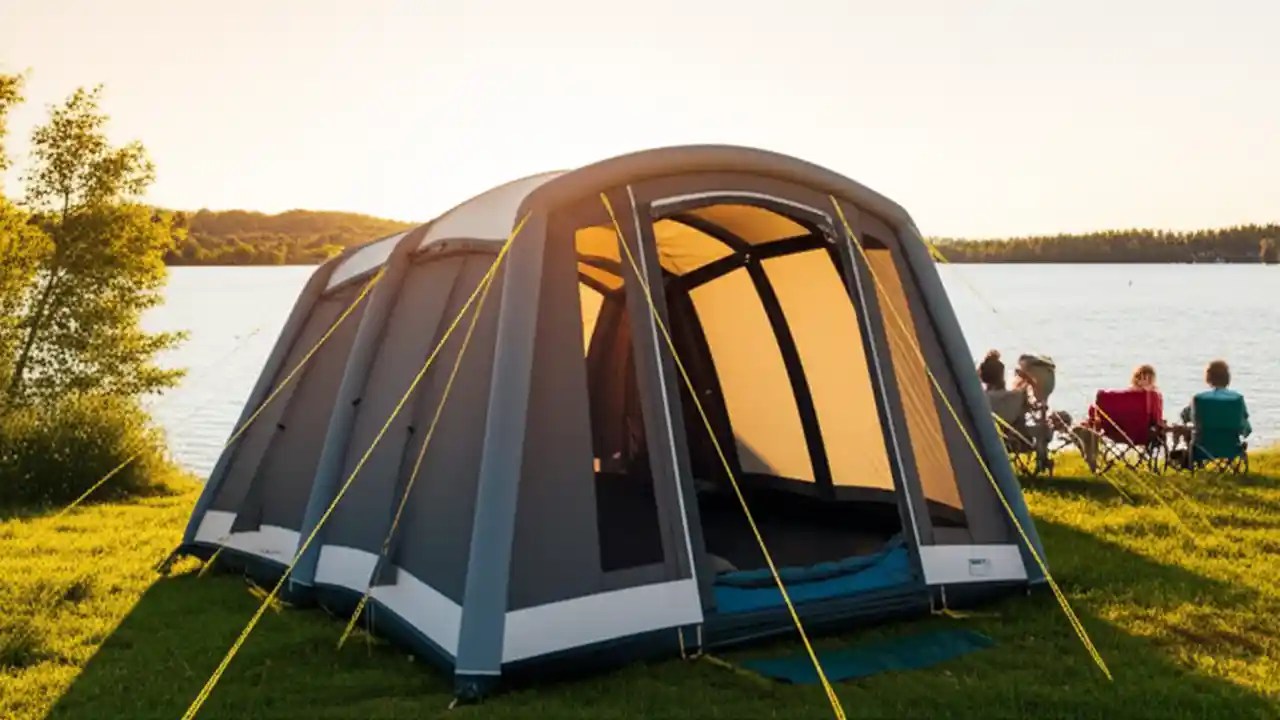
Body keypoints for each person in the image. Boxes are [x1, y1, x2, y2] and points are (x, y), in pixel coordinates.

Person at [1179, 359, 1251, 436]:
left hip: (1203, 447)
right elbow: (1247, 430)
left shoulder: (1199, 399)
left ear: (1208, 377)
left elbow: (1184, 416)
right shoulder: (1237, 400)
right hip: (1231, 447)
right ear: (1227, 378)